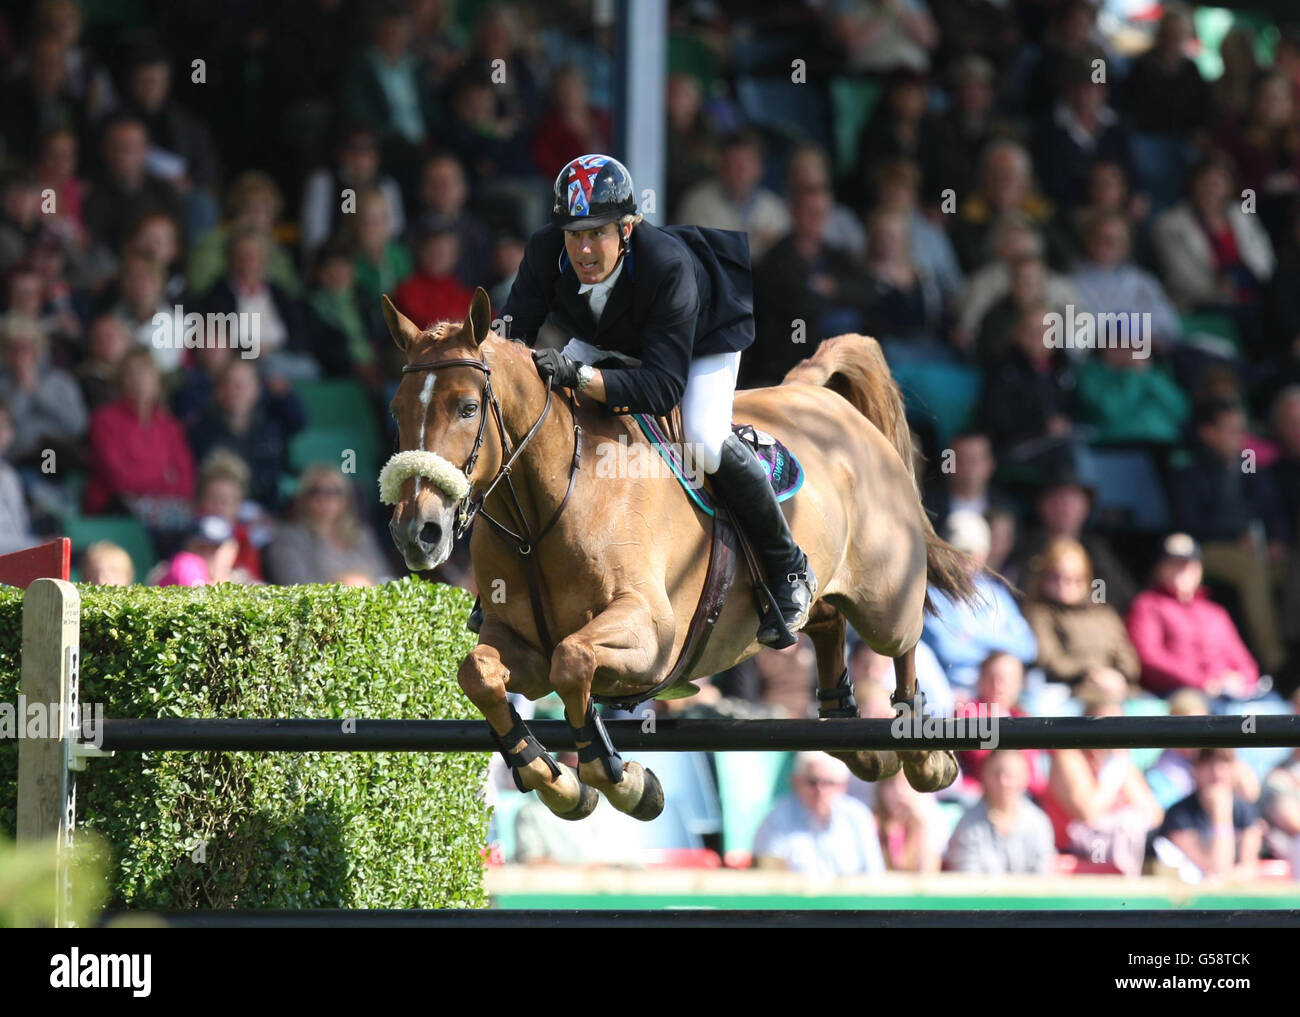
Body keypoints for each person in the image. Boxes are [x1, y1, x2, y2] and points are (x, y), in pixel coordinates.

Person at [503, 154, 815, 648]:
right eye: (573, 233)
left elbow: (661, 388)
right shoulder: (545, 250)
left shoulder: (667, 266)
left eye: (598, 233)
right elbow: (510, 339)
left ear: (628, 227)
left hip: (700, 340)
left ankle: (789, 567)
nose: (583, 249)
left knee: (704, 441)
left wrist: (579, 375)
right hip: (605, 334)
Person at [1126, 532, 1261, 702]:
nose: (1182, 570)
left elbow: (1245, 662)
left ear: (1199, 570)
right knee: (1193, 707)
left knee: (1277, 708)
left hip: (1229, 696)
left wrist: (1242, 681)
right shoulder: (1147, 605)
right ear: (1159, 568)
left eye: (1189, 564)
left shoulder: (1215, 612)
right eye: (1174, 564)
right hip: (1176, 695)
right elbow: (1148, 658)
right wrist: (1202, 682)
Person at [1043, 690, 1165, 875]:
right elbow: (1088, 812)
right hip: (1075, 851)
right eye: (1105, 723)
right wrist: (1113, 774)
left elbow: (1154, 815)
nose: (1111, 732)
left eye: (1118, 723)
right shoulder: (1069, 757)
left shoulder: (1121, 762)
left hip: (1116, 852)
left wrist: (1119, 767)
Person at [921, 510, 1037, 693]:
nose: (968, 558)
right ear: (945, 552)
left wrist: (973, 637)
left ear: (985, 554)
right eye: (961, 550)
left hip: (996, 690)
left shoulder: (997, 594)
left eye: (977, 551)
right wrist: (999, 645)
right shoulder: (930, 596)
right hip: (951, 691)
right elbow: (949, 650)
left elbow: (1028, 647)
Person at [1022, 537, 1140, 691]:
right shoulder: (1039, 614)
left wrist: (1119, 675)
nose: (1064, 586)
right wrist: (1090, 673)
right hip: (1070, 691)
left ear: (1086, 580)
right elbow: (1048, 659)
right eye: (1055, 577)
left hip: (1116, 687)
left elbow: (1128, 659)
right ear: (1043, 578)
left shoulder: (1104, 615)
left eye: (1073, 579)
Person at [752, 752, 886, 876]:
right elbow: (769, 881)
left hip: (849, 901)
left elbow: (874, 876)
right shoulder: (775, 820)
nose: (821, 790)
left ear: (844, 785)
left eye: (830, 783)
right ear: (796, 782)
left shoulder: (858, 817)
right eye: (813, 782)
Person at [263, 466, 391, 585]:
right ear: (303, 498)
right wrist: (345, 586)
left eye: (334, 492)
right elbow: (294, 584)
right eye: (316, 491)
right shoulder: (287, 538)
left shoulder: (360, 535)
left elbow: (385, 577)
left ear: (346, 499)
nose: (325, 499)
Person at [1154, 748, 1266, 881]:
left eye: (1225, 763)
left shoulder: (1245, 811)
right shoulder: (1178, 814)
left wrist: (1225, 879)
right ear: (1196, 768)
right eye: (1209, 763)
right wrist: (1221, 815)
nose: (1217, 772)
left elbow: (1249, 868)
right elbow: (1212, 869)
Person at [945, 750, 1055, 875]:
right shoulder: (967, 823)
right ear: (983, 774)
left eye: (1011, 775)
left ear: (1026, 777)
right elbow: (967, 877)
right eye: (997, 774)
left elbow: (1043, 875)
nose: (1004, 782)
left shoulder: (1038, 822)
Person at [153, 515, 240, 587]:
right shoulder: (185, 563)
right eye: (201, 547)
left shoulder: (242, 579)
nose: (207, 553)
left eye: (214, 548)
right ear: (189, 547)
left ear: (232, 550)